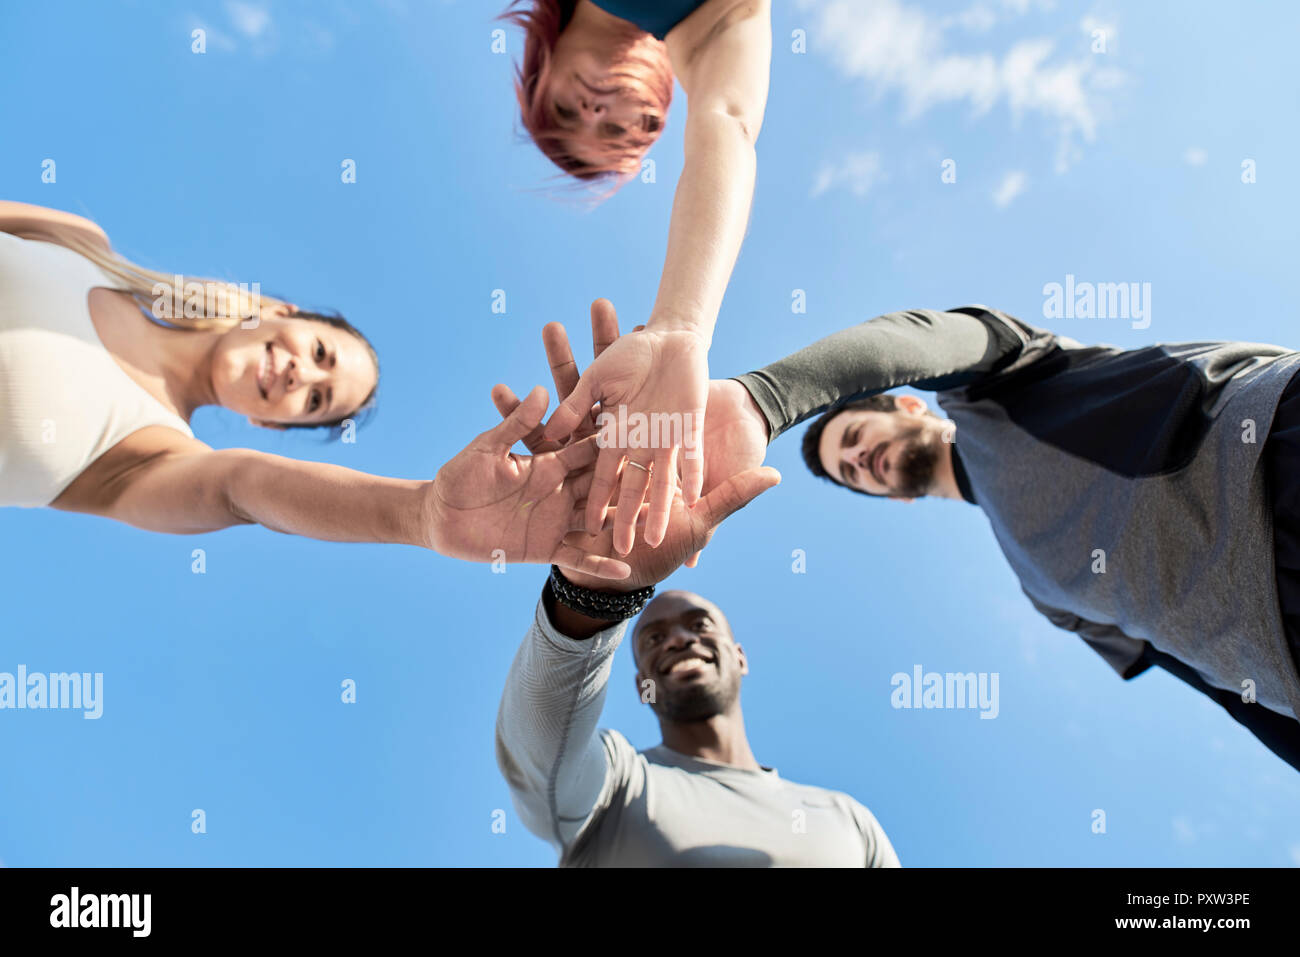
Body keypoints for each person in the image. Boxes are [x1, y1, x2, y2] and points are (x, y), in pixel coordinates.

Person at [717, 304, 1300, 770]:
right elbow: (1210, 682)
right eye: (851, 470)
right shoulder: (1043, 594)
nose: (859, 456)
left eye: (855, 434)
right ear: (892, 497)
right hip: (1285, 655)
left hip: (1273, 452)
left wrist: (766, 401)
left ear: (908, 403)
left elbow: (917, 340)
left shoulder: (996, 384)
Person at [0, 201, 629, 580]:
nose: (304, 375)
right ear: (279, 311)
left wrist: (423, 513)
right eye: (321, 353)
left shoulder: (158, 459)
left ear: (273, 426)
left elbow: (242, 488)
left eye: (317, 402)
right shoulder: (82, 245)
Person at [502, 0, 772, 556]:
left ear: (541, 64)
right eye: (618, 128)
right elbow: (726, 125)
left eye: (565, 113)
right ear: (656, 109)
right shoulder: (711, 28)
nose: (593, 109)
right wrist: (682, 329)